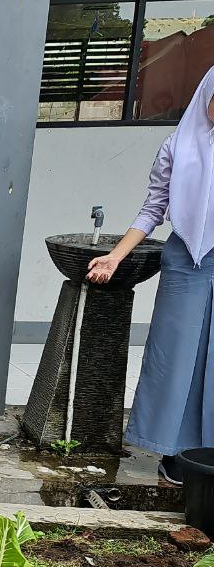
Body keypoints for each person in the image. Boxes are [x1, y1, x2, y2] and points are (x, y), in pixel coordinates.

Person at [87, 67, 214, 487]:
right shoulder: (177, 146)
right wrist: (115, 257)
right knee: (175, 359)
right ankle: (173, 451)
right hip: (184, 261)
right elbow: (153, 210)